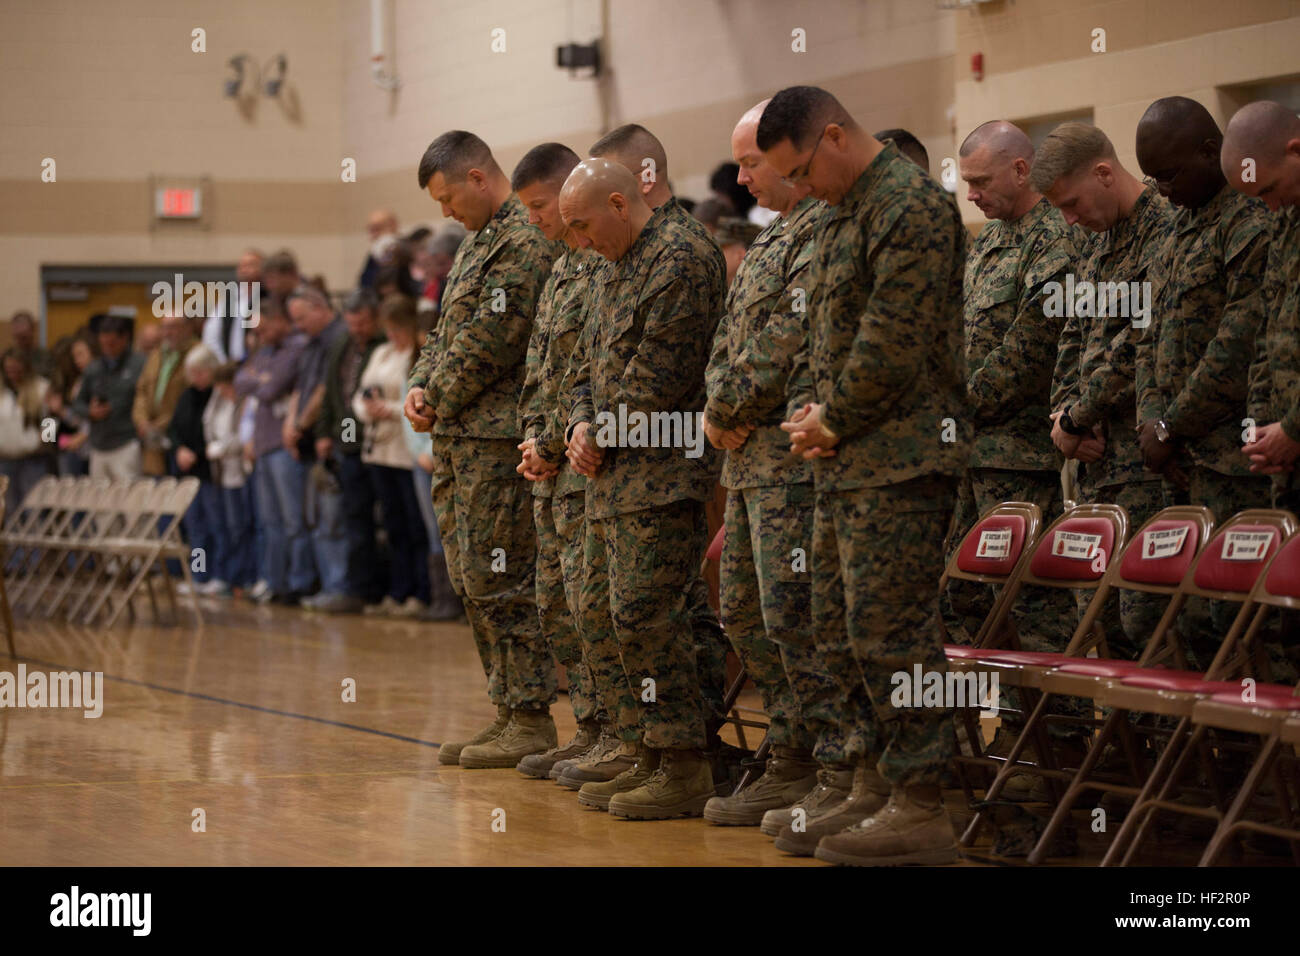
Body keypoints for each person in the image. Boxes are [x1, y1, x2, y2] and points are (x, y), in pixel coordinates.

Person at [761, 85, 969, 864]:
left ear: (836, 137)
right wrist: (820, 412)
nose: (803, 189)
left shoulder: (908, 206)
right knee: (836, 627)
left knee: (893, 631)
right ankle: (873, 783)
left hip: (902, 457)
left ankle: (923, 800)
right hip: (847, 459)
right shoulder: (845, 210)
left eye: (804, 171)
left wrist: (835, 416)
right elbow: (832, 333)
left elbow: (893, 338)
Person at [561, 157, 725, 818]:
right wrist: (577, 423)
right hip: (612, 475)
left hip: (663, 473)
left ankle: (682, 759)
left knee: (648, 618)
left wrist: (595, 431)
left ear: (621, 204)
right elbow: (584, 365)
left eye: (583, 223)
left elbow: (658, 375)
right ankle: (642, 749)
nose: (579, 240)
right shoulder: (611, 265)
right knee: (602, 614)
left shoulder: (681, 259)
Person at [701, 100, 839, 829]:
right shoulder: (772, 239)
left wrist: (726, 408)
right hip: (746, 465)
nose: (744, 177)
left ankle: (823, 762)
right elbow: (729, 340)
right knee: (748, 616)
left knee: (795, 617)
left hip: (790, 463)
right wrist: (716, 407)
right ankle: (788, 755)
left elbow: (787, 338)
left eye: (754, 162)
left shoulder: (825, 233)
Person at [405, 130, 562, 768]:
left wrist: (435, 392)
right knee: (472, 579)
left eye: (447, 198)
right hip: (460, 440)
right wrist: (418, 383)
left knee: (501, 578)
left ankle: (530, 716)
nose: (444, 213)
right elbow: (445, 333)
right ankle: (507, 709)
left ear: (477, 177)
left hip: (497, 442)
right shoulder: (475, 247)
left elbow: (494, 335)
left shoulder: (522, 243)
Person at [1135, 97, 1273, 670]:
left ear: (1209, 152)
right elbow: (1145, 330)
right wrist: (1150, 421)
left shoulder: (1251, 220)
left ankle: (1267, 760)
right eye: (1151, 179)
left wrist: (1170, 425)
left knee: (1247, 625)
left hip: (1231, 463)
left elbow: (1236, 346)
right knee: (1186, 622)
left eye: (1167, 174)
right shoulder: (1172, 231)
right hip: (1176, 459)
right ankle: (1209, 758)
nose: (1161, 189)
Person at [1034, 121, 1175, 661]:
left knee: (1148, 621)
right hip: (1095, 460)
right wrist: (1064, 416)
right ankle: (1122, 747)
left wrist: (1077, 416)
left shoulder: (1164, 229)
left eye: (1072, 203)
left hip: (1144, 462)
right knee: (1099, 618)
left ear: (1104, 172)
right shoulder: (1098, 245)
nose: (1070, 219)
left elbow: (1140, 343)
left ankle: (1168, 745)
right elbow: (1074, 334)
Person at [511, 142, 607, 778]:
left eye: (542, 207)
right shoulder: (563, 269)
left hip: (585, 463)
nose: (538, 221)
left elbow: (590, 368)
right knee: (560, 606)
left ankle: (623, 735)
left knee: (599, 606)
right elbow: (543, 370)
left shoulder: (600, 265)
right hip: (552, 460)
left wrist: (551, 444)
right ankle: (593, 728)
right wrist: (535, 440)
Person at [1222, 103, 1300, 506]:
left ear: (1296, 150)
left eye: (1268, 190)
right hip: (1287, 458)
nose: (1269, 207)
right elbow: (1271, 335)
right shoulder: (1287, 221)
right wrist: (1261, 427)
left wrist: (1294, 429)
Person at [352, 295, 430, 617]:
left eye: (398, 329)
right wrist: (369, 411)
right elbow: (359, 395)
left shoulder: (418, 354)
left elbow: (418, 401)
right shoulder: (381, 352)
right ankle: (397, 591)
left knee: (416, 525)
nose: (393, 335)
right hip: (379, 449)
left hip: (407, 448)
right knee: (393, 524)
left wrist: (393, 410)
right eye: (389, 329)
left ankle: (421, 592)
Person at [234, 298, 312, 604]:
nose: (260, 335)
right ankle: (274, 581)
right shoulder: (263, 351)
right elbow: (241, 380)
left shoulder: (296, 346)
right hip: (263, 443)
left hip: (283, 444)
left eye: (264, 328)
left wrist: (260, 379)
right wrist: (259, 378)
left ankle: (299, 582)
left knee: (293, 520)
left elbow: (272, 387)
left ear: (280, 321)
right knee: (269, 522)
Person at [315, 287, 387, 610]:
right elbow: (332, 389)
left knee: (387, 518)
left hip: (376, 441)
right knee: (354, 517)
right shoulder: (342, 343)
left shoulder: (383, 344)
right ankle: (358, 589)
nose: (357, 329)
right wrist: (325, 432)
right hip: (347, 442)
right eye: (352, 323)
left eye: (363, 323)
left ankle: (391, 590)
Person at [286, 285, 350, 612]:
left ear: (319, 307)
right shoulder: (309, 343)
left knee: (332, 519)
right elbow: (301, 387)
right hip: (308, 440)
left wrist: (303, 426)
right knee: (314, 519)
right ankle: (325, 584)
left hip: (329, 439)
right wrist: (291, 426)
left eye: (301, 318)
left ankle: (338, 586)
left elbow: (326, 390)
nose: (298, 325)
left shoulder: (337, 337)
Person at [167, 345, 222, 594]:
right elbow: (175, 428)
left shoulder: (217, 395)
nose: (196, 378)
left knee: (215, 525)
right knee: (195, 528)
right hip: (187, 471)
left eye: (201, 372)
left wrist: (196, 453)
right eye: (193, 373)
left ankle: (219, 575)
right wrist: (179, 449)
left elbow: (214, 433)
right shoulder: (187, 395)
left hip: (209, 470)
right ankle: (199, 575)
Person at [204, 362, 256, 598]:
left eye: (225, 388)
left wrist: (223, 447)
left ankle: (245, 578)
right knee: (223, 527)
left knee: (242, 527)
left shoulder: (246, 400)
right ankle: (223, 576)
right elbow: (209, 425)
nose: (222, 393)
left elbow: (245, 435)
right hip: (221, 473)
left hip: (242, 470)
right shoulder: (217, 400)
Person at [74, 314, 146, 480]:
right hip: (98, 444)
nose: (108, 348)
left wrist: (114, 407)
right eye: (104, 344)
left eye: (112, 344)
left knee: (128, 499)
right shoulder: (94, 368)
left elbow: (145, 400)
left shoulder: (140, 364)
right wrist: (90, 412)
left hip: (126, 442)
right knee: (100, 501)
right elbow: (78, 403)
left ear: (125, 339)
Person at [133, 312, 196, 476]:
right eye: (165, 327)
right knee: (158, 490)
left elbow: (189, 396)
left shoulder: (195, 353)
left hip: (181, 436)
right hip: (152, 437)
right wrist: (142, 421)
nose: (168, 332)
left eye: (173, 327)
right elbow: (141, 392)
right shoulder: (156, 355)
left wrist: (160, 424)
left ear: (187, 328)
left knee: (182, 491)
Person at [0, 348, 52, 517]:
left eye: (16, 369)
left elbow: (50, 418)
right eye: (8, 370)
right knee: (10, 510)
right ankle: (15, 545)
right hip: (5, 458)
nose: (12, 374)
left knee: (34, 511)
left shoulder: (41, 387)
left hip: (33, 459)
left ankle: (35, 545)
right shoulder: (2, 392)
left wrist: (45, 441)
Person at [46, 332, 95, 476]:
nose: (75, 361)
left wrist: (82, 435)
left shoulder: (85, 378)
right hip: (64, 442)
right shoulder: (57, 380)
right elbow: (50, 414)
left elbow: (90, 416)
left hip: (86, 443)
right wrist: (47, 438)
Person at [202, 249, 262, 364]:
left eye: (251, 265)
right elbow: (211, 333)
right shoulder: (230, 297)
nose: (245, 270)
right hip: (228, 363)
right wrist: (222, 362)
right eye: (242, 266)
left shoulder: (266, 297)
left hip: (255, 363)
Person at [8, 311, 54, 383]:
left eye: (24, 337)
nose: (20, 342)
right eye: (17, 337)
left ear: (32, 332)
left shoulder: (45, 356)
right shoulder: (8, 357)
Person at [359, 209, 399, 289]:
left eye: (377, 229)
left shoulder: (394, 249)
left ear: (392, 226)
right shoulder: (373, 253)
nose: (372, 235)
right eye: (370, 229)